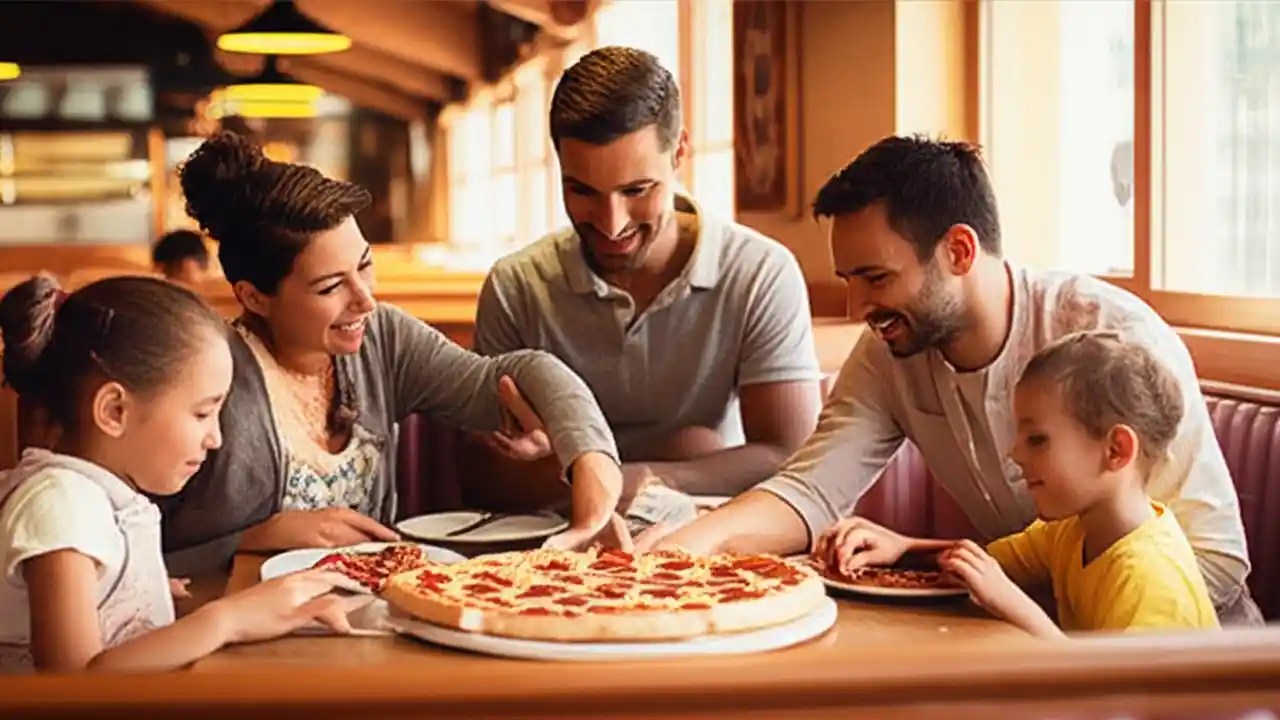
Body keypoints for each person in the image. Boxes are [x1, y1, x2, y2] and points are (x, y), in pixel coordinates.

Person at [650, 135, 1259, 625]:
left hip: (1192, 669)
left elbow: (1219, 561)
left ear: (959, 252)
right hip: (1018, 632)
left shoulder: (1110, 336)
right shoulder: (888, 349)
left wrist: (1047, 628)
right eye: (849, 280)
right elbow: (809, 492)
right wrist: (671, 554)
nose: (858, 304)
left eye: (876, 278)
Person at [158, 132, 626, 577]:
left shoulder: (382, 339)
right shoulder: (212, 375)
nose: (365, 299)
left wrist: (589, 461)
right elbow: (143, 541)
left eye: (364, 265)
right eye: (330, 286)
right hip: (244, 624)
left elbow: (520, 374)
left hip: (371, 612)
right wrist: (257, 536)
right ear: (254, 297)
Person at [471, 46, 824, 527]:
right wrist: (681, 453)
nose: (612, 225)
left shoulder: (759, 272)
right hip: (547, 549)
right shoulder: (516, 287)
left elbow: (792, 459)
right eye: (582, 191)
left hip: (706, 540)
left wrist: (642, 475)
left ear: (679, 152)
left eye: (637, 191)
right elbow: (488, 480)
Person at [0, 274, 366, 672]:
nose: (216, 439)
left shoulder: (100, 493)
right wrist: (228, 620)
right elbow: (72, 685)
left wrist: (146, 595)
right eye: (202, 413)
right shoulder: (60, 503)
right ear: (114, 411)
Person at [816, 332, 1219, 637]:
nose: (1016, 453)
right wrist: (903, 548)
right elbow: (988, 565)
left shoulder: (1151, 579)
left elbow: (1115, 701)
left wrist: (1013, 605)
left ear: (1115, 450)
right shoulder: (1070, 530)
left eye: (1037, 439)